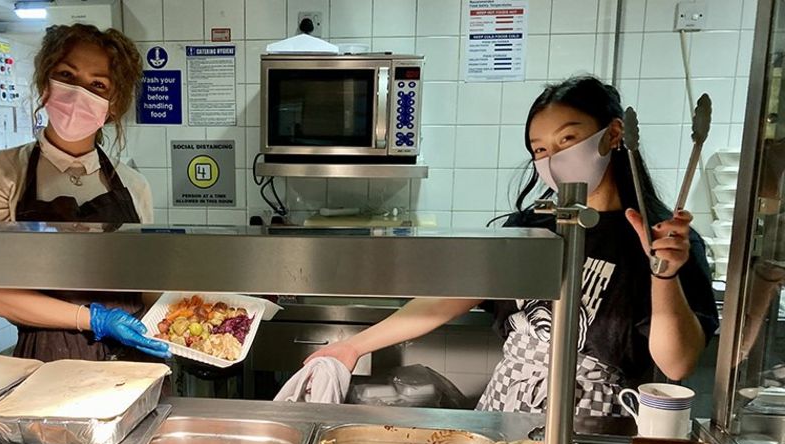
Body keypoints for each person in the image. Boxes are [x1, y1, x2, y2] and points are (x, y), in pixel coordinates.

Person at [307, 76, 719, 416]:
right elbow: (447, 299)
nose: (553, 158)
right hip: (505, 411)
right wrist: (353, 345)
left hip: (598, 426)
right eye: (540, 150)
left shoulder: (664, 240)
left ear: (613, 135)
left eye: (567, 139)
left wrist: (663, 273)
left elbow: (676, 363)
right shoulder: (530, 228)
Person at [0, 24, 168, 362]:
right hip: (48, 359)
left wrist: (182, 321)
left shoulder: (134, 184)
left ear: (113, 105)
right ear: (46, 84)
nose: (79, 93)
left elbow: (146, 286)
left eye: (97, 84)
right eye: (67, 75)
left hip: (134, 357)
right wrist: (93, 319)